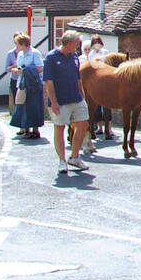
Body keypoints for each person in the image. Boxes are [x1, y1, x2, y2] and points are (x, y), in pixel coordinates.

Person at [43, 31, 91, 175]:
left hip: (76, 98)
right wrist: (54, 102)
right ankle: (62, 161)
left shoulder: (74, 57)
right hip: (60, 100)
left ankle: (75, 157)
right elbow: (49, 82)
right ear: (69, 44)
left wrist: (82, 97)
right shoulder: (51, 58)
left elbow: (78, 79)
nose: (78, 47)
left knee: (83, 124)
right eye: (76, 44)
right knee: (60, 128)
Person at [8, 33, 45, 139]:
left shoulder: (35, 53)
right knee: (23, 106)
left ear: (23, 44)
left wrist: (25, 71)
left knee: (34, 106)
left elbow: (40, 68)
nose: (16, 47)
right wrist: (17, 70)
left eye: (17, 44)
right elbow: (20, 67)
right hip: (23, 84)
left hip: (34, 84)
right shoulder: (20, 54)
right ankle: (26, 128)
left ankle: (35, 130)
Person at [85, 36, 114, 140]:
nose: (97, 44)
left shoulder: (105, 52)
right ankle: (99, 127)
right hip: (96, 80)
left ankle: (109, 128)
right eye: (95, 42)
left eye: (98, 42)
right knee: (96, 108)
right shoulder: (91, 54)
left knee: (107, 106)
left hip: (105, 81)